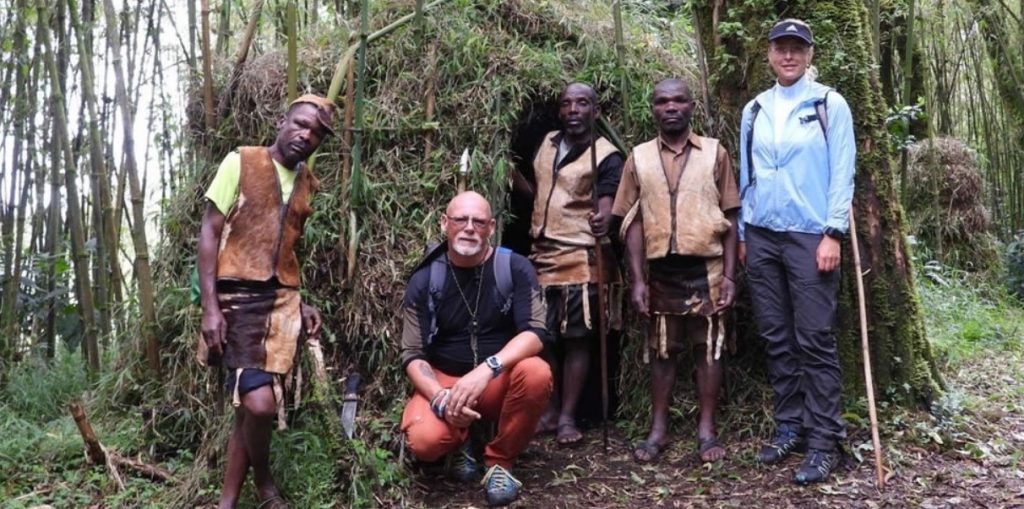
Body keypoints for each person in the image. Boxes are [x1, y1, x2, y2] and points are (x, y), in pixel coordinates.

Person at [198, 94, 336, 509]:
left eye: (315, 133)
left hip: (280, 304)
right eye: (300, 124)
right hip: (236, 299)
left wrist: (301, 302)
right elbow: (209, 231)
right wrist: (210, 307)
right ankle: (263, 481)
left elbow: (286, 250)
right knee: (259, 404)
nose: (305, 135)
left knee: (250, 407)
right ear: (283, 121)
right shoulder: (240, 162)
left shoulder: (307, 183)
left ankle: (235, 499)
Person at [738, 19, 856, 485]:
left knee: (814, 338)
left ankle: (825, 439)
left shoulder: (829, 103)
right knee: (775, 335)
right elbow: (748, 172)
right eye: (781, 48)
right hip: (763, 233)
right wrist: (745, 234)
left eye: (797, 49)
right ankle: (791, 424)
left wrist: (833, 232)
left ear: (809, 55)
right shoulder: (755, 109)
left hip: (811, 235)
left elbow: (843, 169)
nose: (788, 56)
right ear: (768, 54)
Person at [612, 78, 739, 464]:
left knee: (708, 349)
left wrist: (731, 275)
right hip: (660, 268)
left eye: (679, 100)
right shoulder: (639, 157)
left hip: (707, 266)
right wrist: (636, 280)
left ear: (691, 107)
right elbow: (630, 222)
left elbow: (732, 215)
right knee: (663, 350)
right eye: (662, 101)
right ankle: (658, 429)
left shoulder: (715, 154)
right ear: (652, 108)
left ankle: (706, 429)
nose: (671, 107)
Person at [399, 191, 552, 507]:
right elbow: (412, 353)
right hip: (445, 380)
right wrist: (442, 399)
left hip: (496, 380)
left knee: (536, 372)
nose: (469, 228)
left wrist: (488, 368)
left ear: (491, 227)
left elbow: (536, 334)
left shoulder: (515, 268)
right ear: (445, 223)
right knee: (424, 442)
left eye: (479, 222)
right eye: (460, 220)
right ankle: (460, 439)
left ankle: (501, 462)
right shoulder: (426, 277)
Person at [511, 82, 624, 446]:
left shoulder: (606, 155)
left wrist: (603, 219)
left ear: (595, 110)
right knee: (544, 339)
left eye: (582, 104)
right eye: (567, 104)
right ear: (559, 111)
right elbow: (539, 192)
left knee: (577, 338)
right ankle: (550, 408)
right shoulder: (546, 144)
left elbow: (609, 202)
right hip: (541, 256)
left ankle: (568, 417)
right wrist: (507, 173)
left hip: (581, 257)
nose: (574, 110)